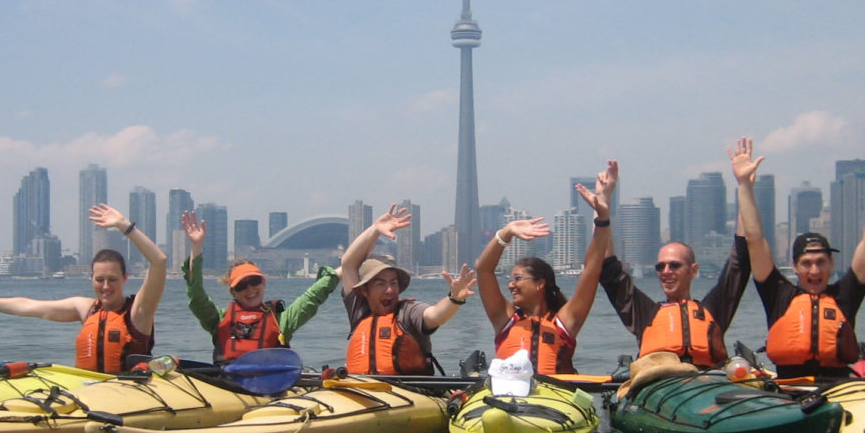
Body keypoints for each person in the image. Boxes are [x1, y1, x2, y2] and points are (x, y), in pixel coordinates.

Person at [742, 139, 865, 380]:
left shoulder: (845, 295)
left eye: (821, 262)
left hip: (838, 388)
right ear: (795, 267)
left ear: (831, 265)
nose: (814, 270)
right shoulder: (778, 294)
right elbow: (754, 239)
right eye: (806, 263)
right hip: (790, 386)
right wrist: (744, 185)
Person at [0, 204, 167, 373]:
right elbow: (28, 306)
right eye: (100, 280)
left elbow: (158, 261)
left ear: (125, 278)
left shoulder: (139, 312)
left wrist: (124, 225)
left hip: (129, 395)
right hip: (89, 394)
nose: (106, 286)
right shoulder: (87, 309)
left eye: (112, 279)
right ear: (92, 278)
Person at [596, 148, 753, 368]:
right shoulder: (645, 314)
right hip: (663, 388)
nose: (666, 271)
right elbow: (608, 270)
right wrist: (603, 202)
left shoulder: (714, 311)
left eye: (674, 265)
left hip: (709, 383)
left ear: (693, 270)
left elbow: (741, 260)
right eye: (660, 266)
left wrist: (745, 185)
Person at [472, 163, 611, 375]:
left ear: (540, 283)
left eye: (518, 278)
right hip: (507, 396)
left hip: (553, 398)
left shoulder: (566, 320)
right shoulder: (504, 318)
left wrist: (602, 219)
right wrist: (506, 233)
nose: (511, 285)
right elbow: (483, 270)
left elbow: (592, 269)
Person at [178, 210, 339, 364]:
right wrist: (196, 247)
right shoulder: (218, 320)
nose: (250, 289)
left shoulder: (281, 320)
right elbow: (196, 295)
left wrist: (344, 268)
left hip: (269, 388)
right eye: (241, 285)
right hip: (227, 385)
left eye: (254, 281)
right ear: (232, 292)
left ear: (263, 283)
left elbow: (313, 296)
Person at [339, 204, 476, 375]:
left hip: (407, 391)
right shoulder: (359, 310)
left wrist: (454, 299)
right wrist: (375, 230)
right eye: (381, 284)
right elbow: (348, 263)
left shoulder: (408, 312)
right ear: (365, 291)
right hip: (361, 389)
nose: (390, 290)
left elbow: (435, 315)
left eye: (394, 283)